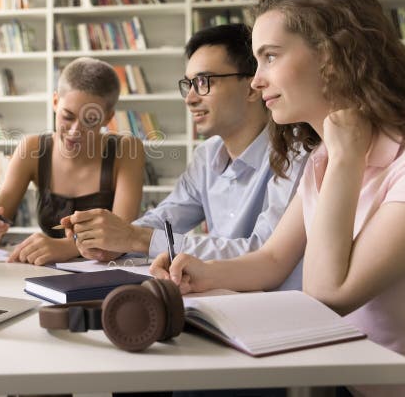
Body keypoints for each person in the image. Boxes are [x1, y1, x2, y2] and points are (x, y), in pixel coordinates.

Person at [151, 0, 405, 397]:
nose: (256, 80)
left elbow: (327, 295)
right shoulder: (321, 159)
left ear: (333, 56)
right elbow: (274, 259)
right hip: (342, 379)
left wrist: (347, 158)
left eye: (270, 57)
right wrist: (203, 274)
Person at [62, 24, 306, 289]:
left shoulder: (295, 153)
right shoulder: (207, 156)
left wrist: (135, 238)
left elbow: (264, 253)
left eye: (203, 82)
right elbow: (166, 217)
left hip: (275, 310)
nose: (189, 98)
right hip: (217, 299)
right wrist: (110, 242)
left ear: (251, 88)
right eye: (188, 84)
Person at [0, 56, 145, 265]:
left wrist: (66, 247)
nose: (75, 131)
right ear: (55, 102)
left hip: (107, 273)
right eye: (68, 116)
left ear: (108, 118)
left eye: (90, 121)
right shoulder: (32, 149)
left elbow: (121, 237)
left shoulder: (127, 150)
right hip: (46, 272)